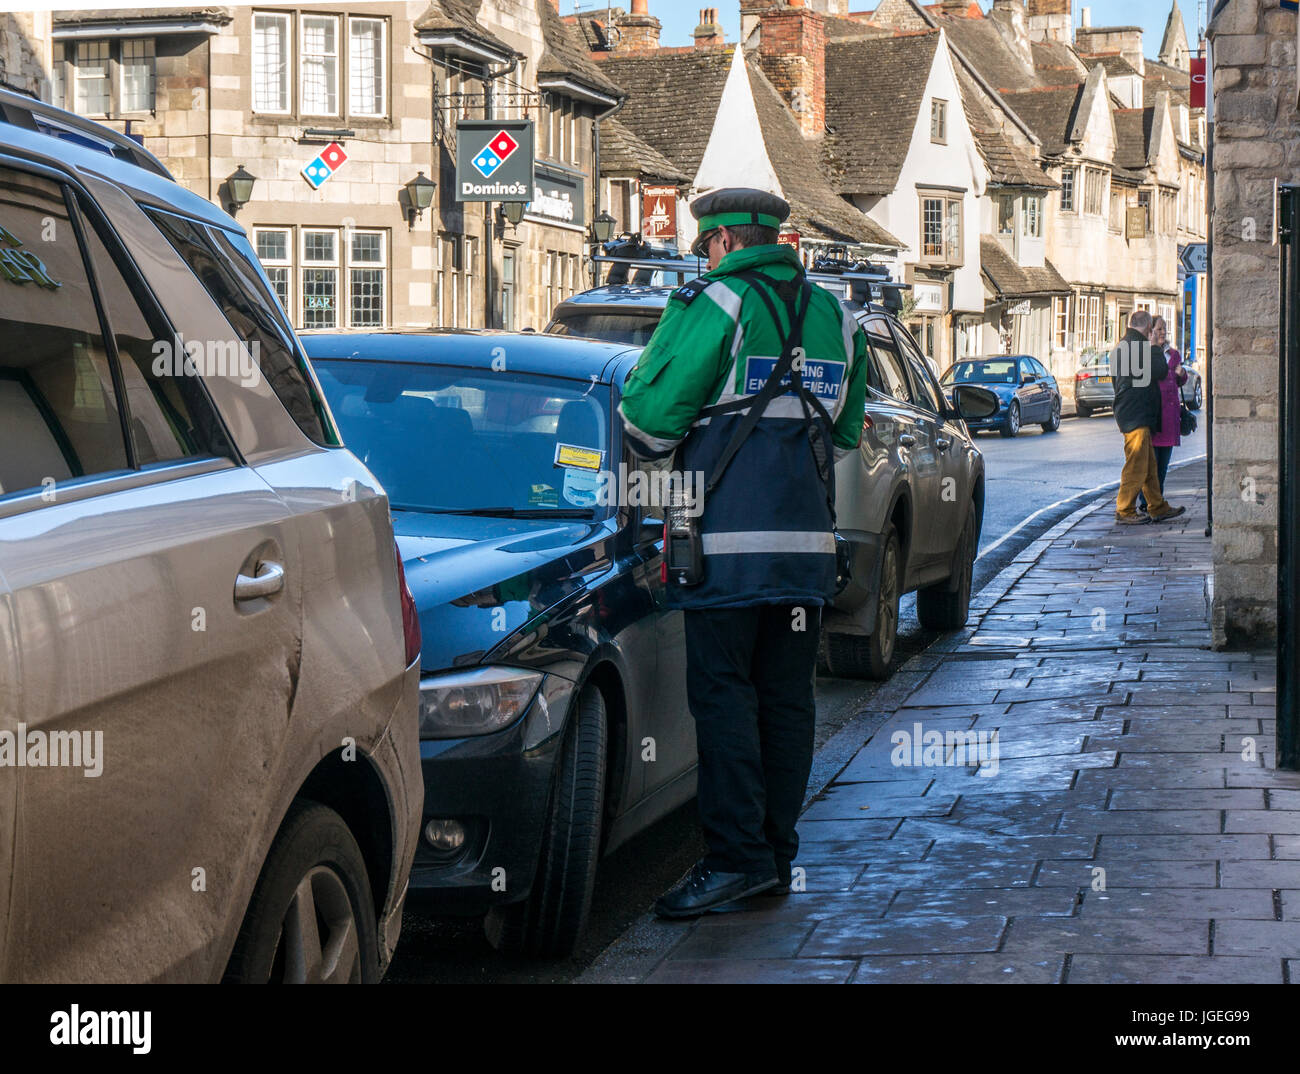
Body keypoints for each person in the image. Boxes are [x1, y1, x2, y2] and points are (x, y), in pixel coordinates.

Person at [619, 187, 869, 917]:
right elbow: (847, 434)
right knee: (787, 701)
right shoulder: (837, 316)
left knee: (724, 699)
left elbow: (647, 420)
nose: (705, 255)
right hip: (807, 553)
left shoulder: (715, 302)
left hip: (724, 548)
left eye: (706, 245)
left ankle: (734, 862)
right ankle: (776, 856)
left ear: (724, 240)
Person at [1112, 309, 1185, 525]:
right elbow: (1161, 370)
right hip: (1137, 414)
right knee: (1136, 464)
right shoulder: (1142, 347)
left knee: (1150, 465)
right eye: (1152, 330)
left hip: (1130, 412)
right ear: (1147, 329)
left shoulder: (1122, 346)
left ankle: (1157, 506)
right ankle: (1124, 509)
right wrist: (1154, 347)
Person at [1138, 315, 1188, 513]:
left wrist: (1182, 374)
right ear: (1150, 332)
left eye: (1164, 329)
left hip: (1170, 416)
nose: (1162, 332)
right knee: (1151, 463)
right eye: (1158, 329)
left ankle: (1159, 500)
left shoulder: (1173, 354)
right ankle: (1146, 501)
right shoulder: (1146, 354)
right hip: (1154, 414)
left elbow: (1180, 382)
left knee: (1163, 464)